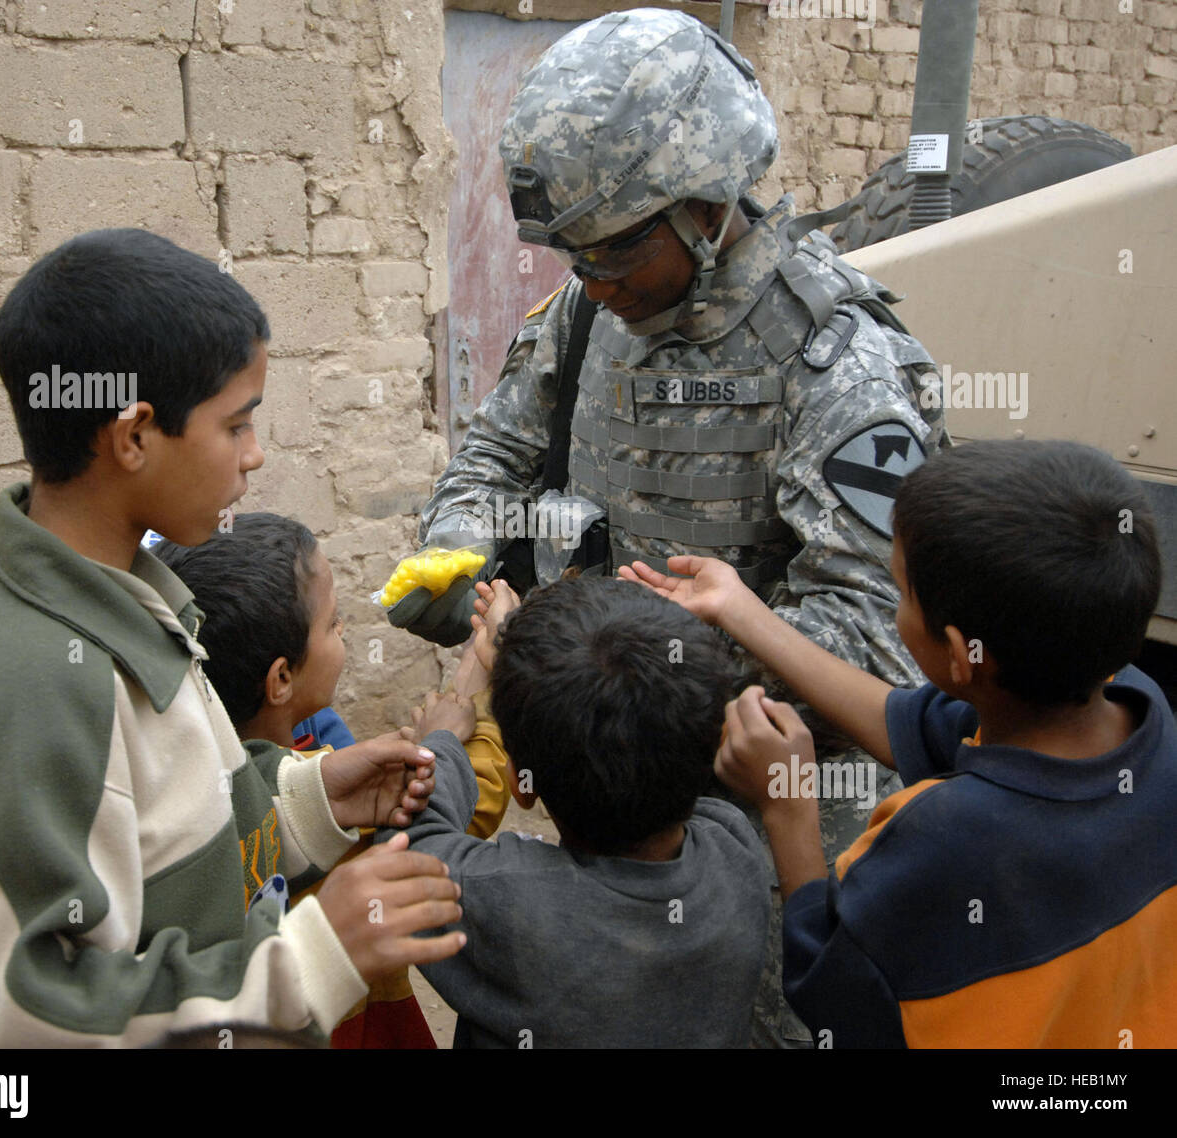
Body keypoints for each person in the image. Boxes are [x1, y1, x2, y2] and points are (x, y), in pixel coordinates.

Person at [394, 6, 945, 1046]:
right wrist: (459, 558)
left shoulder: (840, 363)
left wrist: (629, 684)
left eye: (610, 256)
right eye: (574, 258)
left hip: (774, 830)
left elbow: (874, 640)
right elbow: (493, 457)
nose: (591, 285)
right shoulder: (589, 307)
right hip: (613, 810)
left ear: (701, 207)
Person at [0, 228, 464, 1048]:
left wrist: (308, 798)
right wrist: (308, 960)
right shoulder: (42, 678)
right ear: (133, 436)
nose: (255, 456)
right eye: (236, 426)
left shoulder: (128, 600)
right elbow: (10, 1020)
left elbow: (168, 835)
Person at [625, 439, 1176, 1047]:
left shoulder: (938, 832)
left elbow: (836, 991)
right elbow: (904, 720)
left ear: (962, 655)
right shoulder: (1136, 712)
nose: (895, 613)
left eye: (902, 596)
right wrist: (740, 609)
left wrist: (788, 804)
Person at [154, 512, 511, 1047]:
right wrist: (482, 675)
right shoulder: (341, 824)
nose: (344, 630)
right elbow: (463, 801)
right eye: (333, 624)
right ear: (280, 679)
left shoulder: (179, 792)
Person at [382, 574, 773, 1048]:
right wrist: (514, 656)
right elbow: (663, 732)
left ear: (520, 785)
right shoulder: (737, 854)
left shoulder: (508, 904)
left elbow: (403, 849)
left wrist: (441, 739)